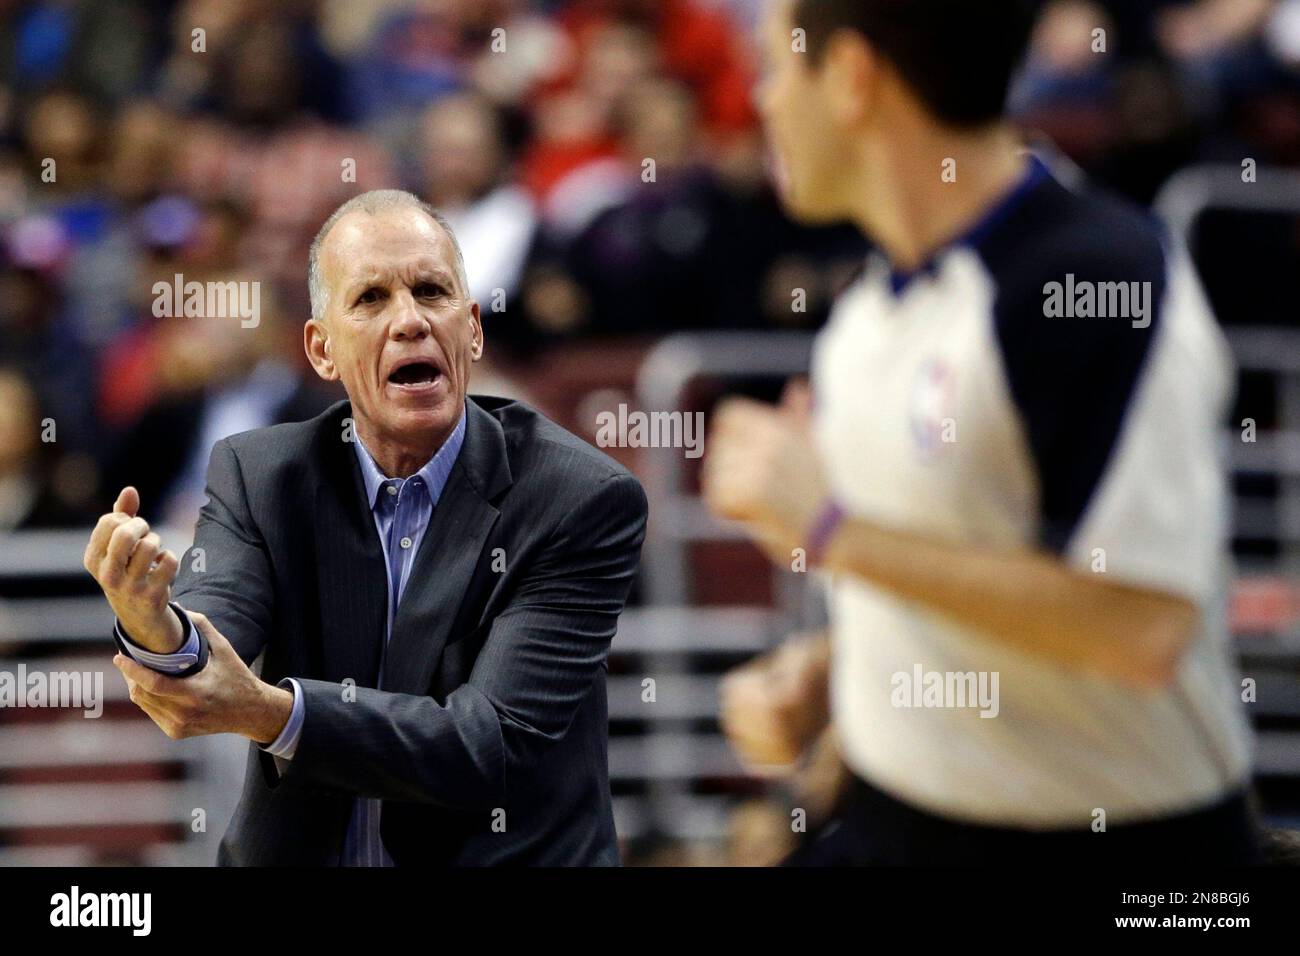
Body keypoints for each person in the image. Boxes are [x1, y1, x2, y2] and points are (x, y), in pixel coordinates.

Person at [703, 0, 1261, 864]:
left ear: (851, 78)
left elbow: (1138, 628)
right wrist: (838, 677)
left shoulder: (1094, 278)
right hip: (904, 822)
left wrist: (829, 533)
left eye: (777, 67)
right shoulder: (865, 320)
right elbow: (962, 569)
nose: (763, 101)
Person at [83, 189, 648, 866]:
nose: (409, 320)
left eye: (432, 292)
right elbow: (213, 631)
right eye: (372, 299)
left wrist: (273, 713)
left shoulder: (577, 497)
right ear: (322, 351)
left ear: (472, 329)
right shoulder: (262, 473)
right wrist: (152, 623)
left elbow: (487, 744)